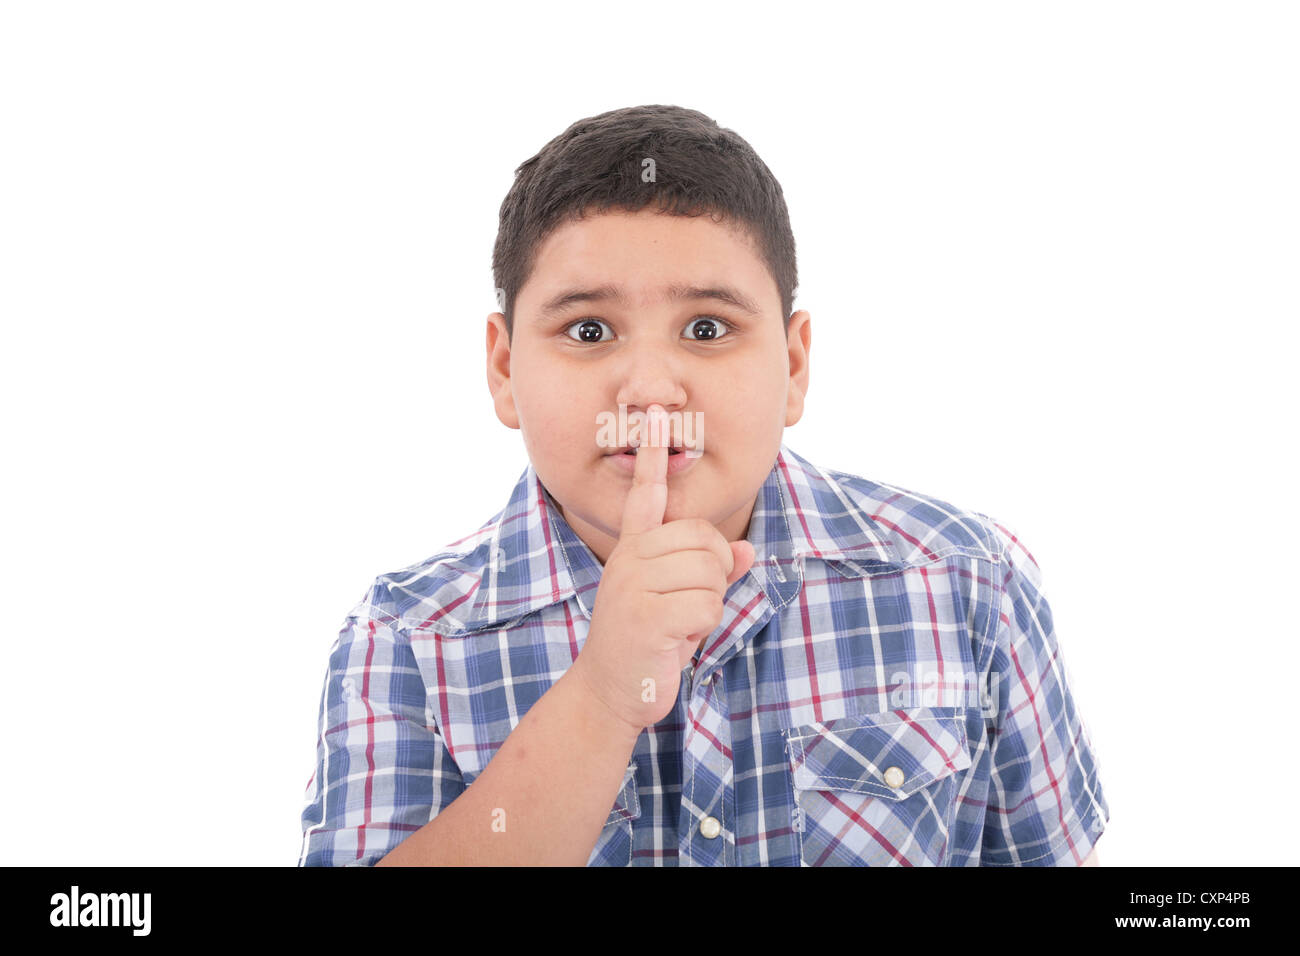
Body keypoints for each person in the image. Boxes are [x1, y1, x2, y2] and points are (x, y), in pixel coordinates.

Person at [298, 104, 1109, 866]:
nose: (651, 387)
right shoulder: (402, 640)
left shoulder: (969, 580)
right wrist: (603, 697)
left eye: (707, 329)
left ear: (793, 366)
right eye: (588, 330)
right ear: (504, 369)